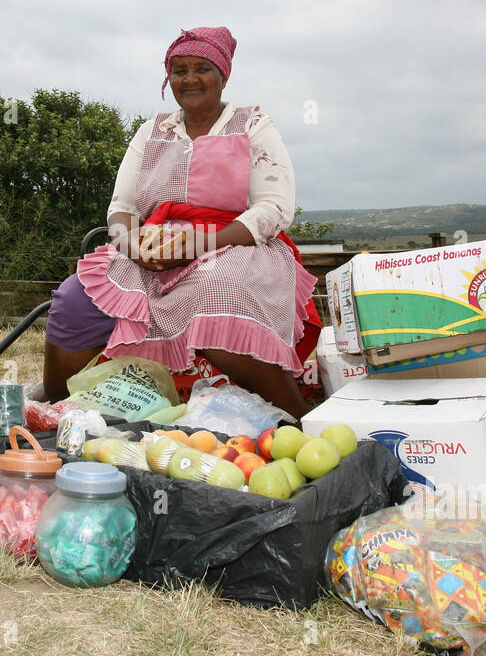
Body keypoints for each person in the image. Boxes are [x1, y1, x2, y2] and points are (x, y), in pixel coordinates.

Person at [41, 26, 320, 418]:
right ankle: (55, 414)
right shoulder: (153, 131)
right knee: (74, 298)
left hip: (233, 245)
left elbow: (273, 208)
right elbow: (121, 207)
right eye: (178, 70)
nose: (189, 79)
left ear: (223, 75)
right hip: (152, 248)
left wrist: (199, 245)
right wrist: (132, 245)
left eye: (201, 68)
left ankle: (295, 415)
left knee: (215, 291)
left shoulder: (252, 125)